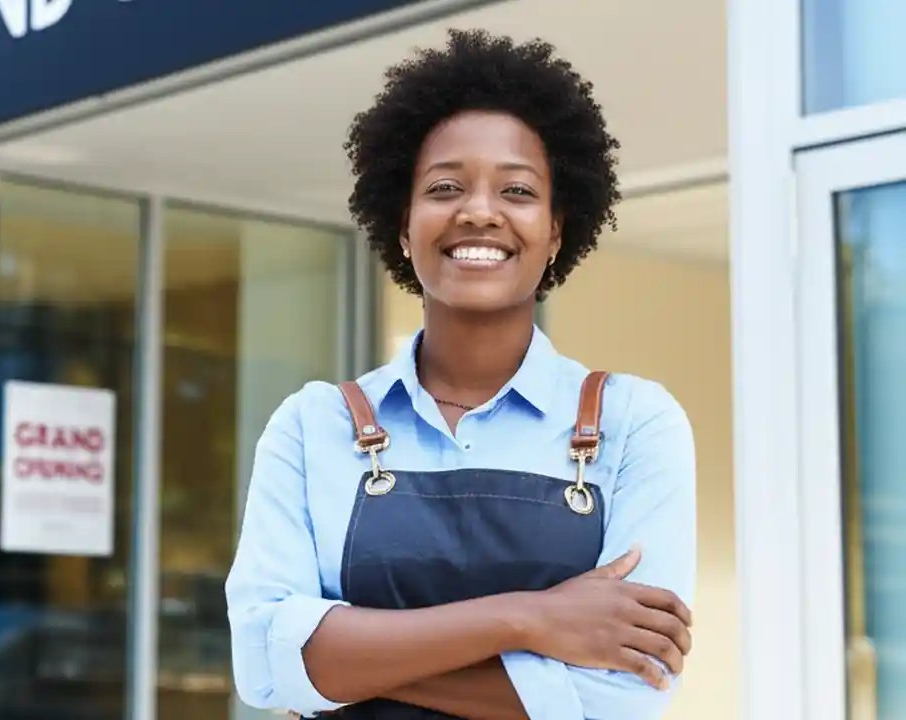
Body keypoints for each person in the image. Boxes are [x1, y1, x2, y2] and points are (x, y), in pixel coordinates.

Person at [224, 29, 697, 720]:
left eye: (517, 190)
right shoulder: (311, 427)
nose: (479, 210)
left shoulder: (635, 424)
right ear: (404, 224)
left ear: (558, 228)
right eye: (445, 187)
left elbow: (625, 693)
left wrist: (348, 662)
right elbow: (263, 664)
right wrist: (528, 620)